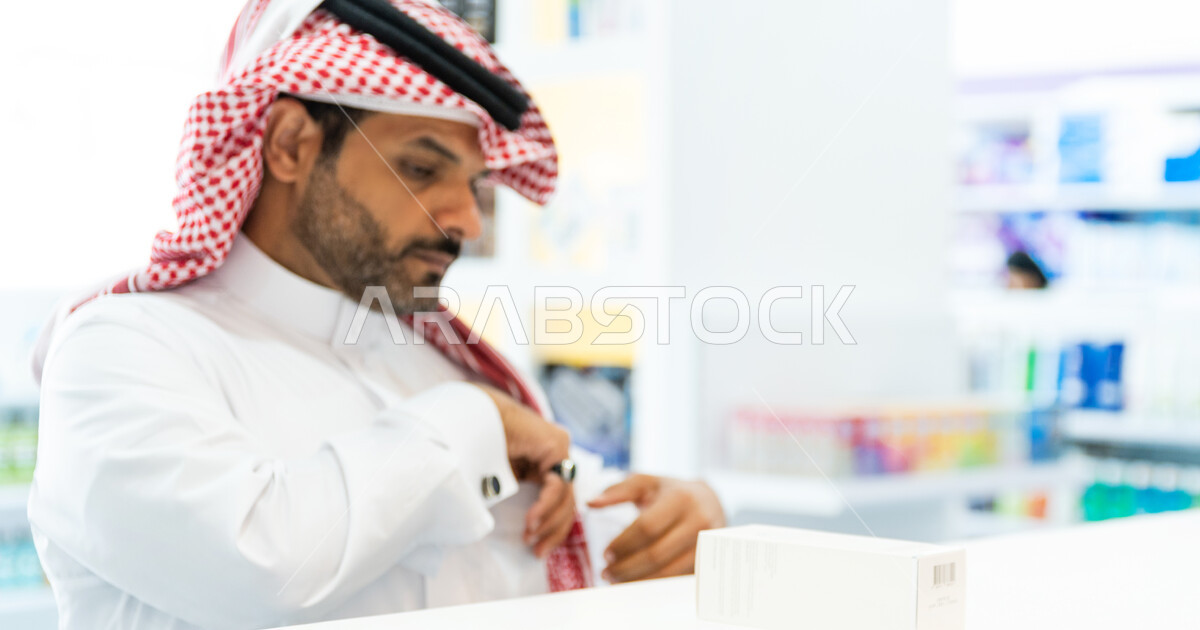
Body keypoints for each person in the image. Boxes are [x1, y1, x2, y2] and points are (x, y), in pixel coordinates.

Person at [27, 1, 724, 628]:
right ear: (291, 145)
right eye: (421, 170)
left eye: (473, 184)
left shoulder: (437, 361)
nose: (466, 222)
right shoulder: (123, 352)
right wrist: (474, 420)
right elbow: (265, 567)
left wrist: (673, 520)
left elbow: (542, 542)